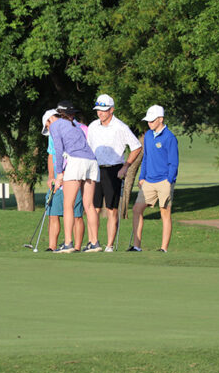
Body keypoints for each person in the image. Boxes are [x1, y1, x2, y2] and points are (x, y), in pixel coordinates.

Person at [87, 94, 142, 252]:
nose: (100, 113)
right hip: (95, 168)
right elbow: (89, 147)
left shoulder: (120, 127)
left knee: (111, 209)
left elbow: (136, 147)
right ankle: (94, 242)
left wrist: (126, 167)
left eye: (104, 110)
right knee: (94, 208)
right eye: (98, 110)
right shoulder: (92, 126)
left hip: (114, 170)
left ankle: (109, 245)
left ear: (112, 110)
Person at [45, 101, 101, 253]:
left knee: (68, 204)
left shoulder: (56, 126)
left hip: (76, 162)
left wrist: (59, 175)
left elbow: (58, 150)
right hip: (92, 162)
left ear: (58, 114)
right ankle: (94, 243)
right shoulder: (77, 126)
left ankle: (68, 243)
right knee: (89, 205)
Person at [129, 104, 179, 252]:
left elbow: (173, 162)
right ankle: (137, 246)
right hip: (149, 181)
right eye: (148, 121)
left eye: (152, 120)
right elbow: (146, 158)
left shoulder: (169, 137)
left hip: (164, 180)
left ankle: (163, 248)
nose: (149, 123)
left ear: (160, 119)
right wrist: (142, 176)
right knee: (137, 209)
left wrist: (170, 180)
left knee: (165, 212)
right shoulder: (149, 135)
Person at [41, 109, 85, 252]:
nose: (49, 129)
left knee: (76, 214)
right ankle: (52, 246)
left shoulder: (75, 130)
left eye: (47, 126)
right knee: (53, 213)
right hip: (58, 180)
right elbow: (51, 156)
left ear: (51, 120)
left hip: (73, 177)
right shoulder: (52, 136)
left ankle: (77, 247)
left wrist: (63, 174)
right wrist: (51, 177)